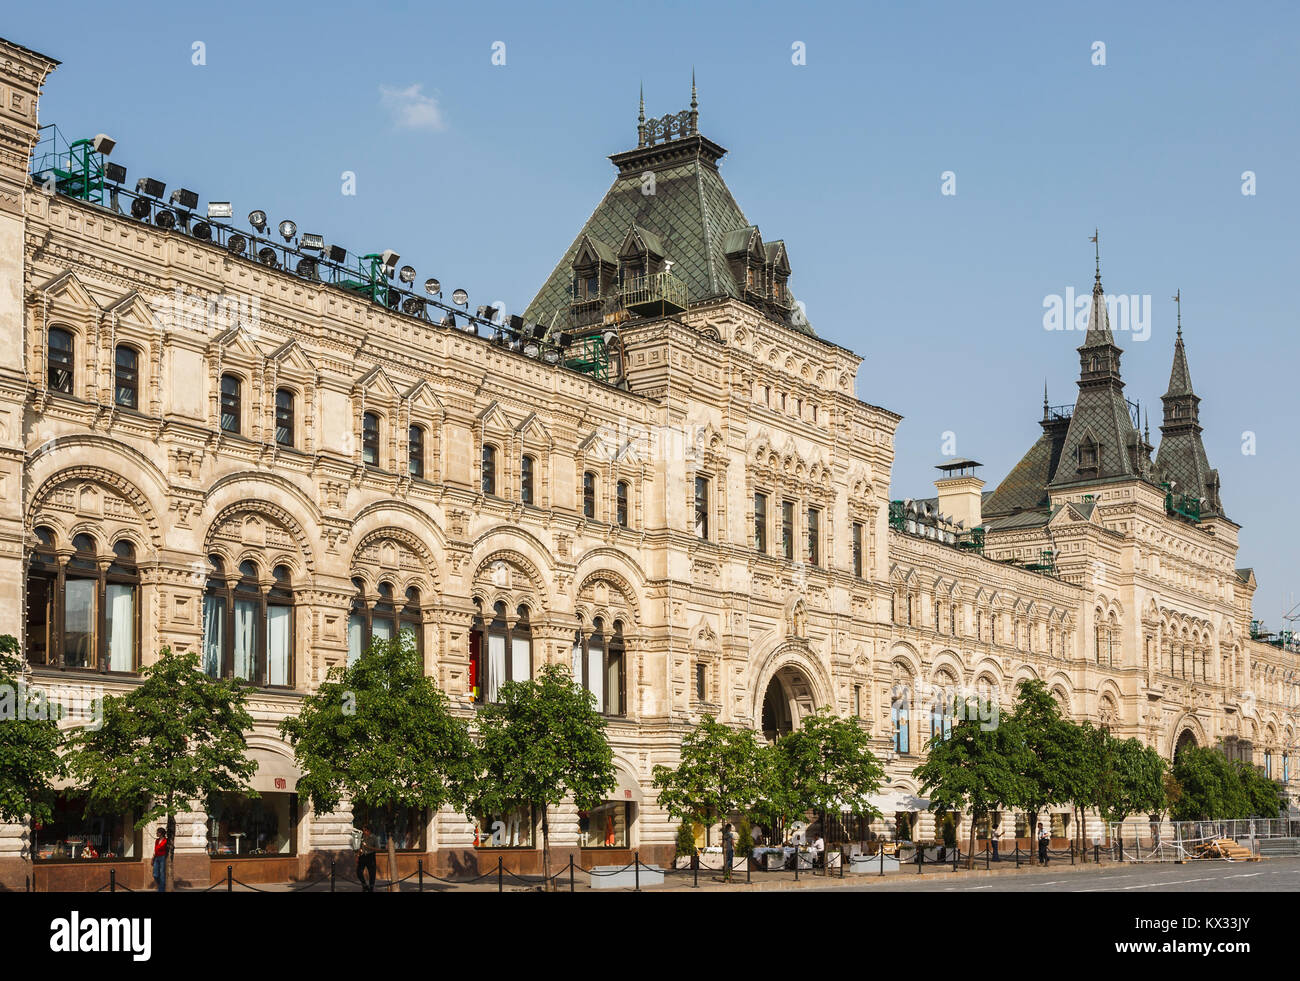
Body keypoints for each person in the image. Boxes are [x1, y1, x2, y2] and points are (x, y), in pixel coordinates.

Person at [356, 825, 378, 892]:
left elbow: (377, 848)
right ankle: (364, 885)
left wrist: (368, 847)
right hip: (363, 856)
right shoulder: (363, 837)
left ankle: (371, 888)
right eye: (363, 830)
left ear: (368, 830)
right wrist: (357, 856)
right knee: (359, 872)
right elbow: (360, 847)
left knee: (371, 873)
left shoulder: (374, 837)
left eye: (364, 830)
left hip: (370, 856)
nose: (363, 831)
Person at [152, 827, 168, 893]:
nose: (156, 833)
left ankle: (161, 890)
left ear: (161, 833)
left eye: (157, 832)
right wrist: (152, 858)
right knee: (155, 874)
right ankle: (161, 886)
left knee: (162, 874)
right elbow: (155, 850)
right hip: (156, 858)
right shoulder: (157, 840)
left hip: (162, 858)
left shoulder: (166, 841)